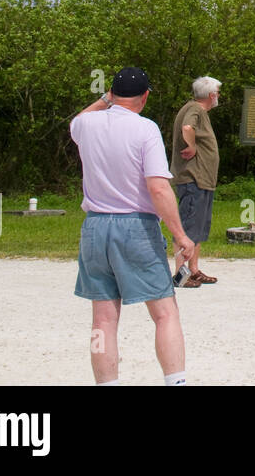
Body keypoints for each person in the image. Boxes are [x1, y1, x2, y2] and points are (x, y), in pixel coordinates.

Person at [71, 67, 194, 386]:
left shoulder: (85, 124)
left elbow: (79, 118)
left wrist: (104, 100)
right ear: (146, 96)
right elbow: (158, 187)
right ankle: (176, 382)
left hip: (95, 227)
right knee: (165, 312)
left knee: (103, 319)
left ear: (110, 94)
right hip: (135, 227)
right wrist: (180, 235)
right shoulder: (145, 129)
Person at [168, 76, 222, 287]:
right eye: (217, 92)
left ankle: (193, 270)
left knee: (198, 227)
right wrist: (191, 146)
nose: (218, 96)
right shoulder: (195, 109)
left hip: (202, 179)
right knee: (189, 226)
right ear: (211, 95)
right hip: (193, 178)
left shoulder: (199, 111)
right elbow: (187, 128)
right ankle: (181, 275)